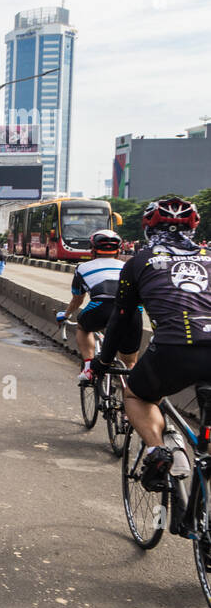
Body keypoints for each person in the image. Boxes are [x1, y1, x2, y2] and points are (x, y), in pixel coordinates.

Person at [92, 197, 209, 515]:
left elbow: (122, 316)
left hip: (174, 350)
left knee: (137, 396)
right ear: (194, 228)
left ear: (147, 228)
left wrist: (103, 361)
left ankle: (158, 451)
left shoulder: (138, 262)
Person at [56, 229, 136, 380]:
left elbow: (77, 300)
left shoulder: (82, 268)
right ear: (118, 251)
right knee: (131, 365)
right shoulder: (130, 266)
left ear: (92, 250)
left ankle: (88, 368)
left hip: (101, 307)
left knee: (82, 326)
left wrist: (65, 315)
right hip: (132, 311)